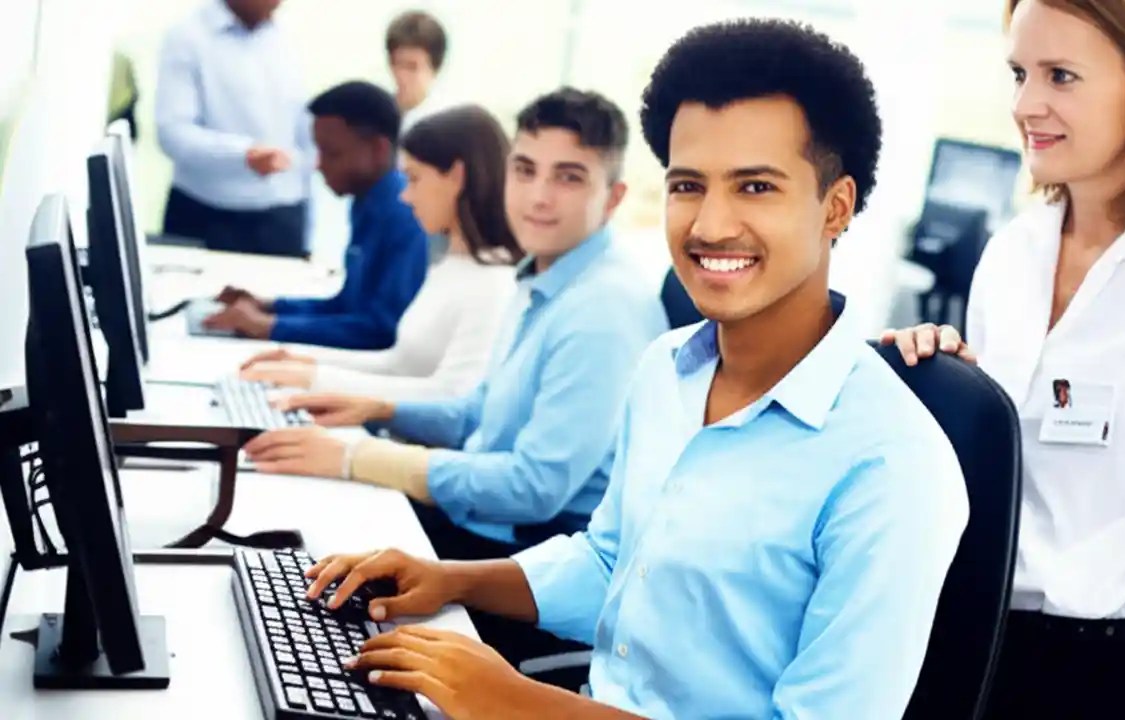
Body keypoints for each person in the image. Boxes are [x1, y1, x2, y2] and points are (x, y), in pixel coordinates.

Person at [274, 20, 970, 719]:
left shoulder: (893, 464)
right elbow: (611, 564)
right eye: (689, 185)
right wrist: (448, 578)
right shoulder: (666, 369)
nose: (709, 225)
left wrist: (514, 700)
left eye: (755, 187)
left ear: (836, 206)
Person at [882, 1, 1125, 718]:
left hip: (1104, 674)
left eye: (1061, 76)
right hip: (962, 643)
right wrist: (945, 386)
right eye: (1018, 73)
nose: (1026, 104)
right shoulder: (1010, 255)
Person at [242, 87, 667, 555]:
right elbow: (477, 414)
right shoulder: (545, 277)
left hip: (529, 553)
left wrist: (355, 456)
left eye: (569, 178)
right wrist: (377, 409)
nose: (538, 197)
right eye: (525, 171)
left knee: (310, 535)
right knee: (287, 516)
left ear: (613, 198)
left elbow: (533, 490)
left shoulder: (601, 309)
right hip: (490, 522)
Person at [236, 105, 521, 403]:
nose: (405, 195)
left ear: (456, 176)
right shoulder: (452, 266)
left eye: (414, 178)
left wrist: (315, 379)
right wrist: (300, 361)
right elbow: (398, 365)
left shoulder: (492, 284)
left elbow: (453, 396)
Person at [204, 82, 429, 349]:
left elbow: (381, 330)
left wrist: (267, 326)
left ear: (378, 150)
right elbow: (347, 305)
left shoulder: (404, 214)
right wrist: (269, 307)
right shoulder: (367, 201)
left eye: (332, 153)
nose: (319, 165)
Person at [155, 0, 313, 257]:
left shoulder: (290, 37)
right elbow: (172, 132)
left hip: (281, 219)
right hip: (206, 216)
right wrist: (243, 155)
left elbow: (304, 131)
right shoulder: (187, 37)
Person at [385, 9, 451, 132]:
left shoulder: (446, 126)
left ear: (435, 69)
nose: (402, 76)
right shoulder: (376, 118)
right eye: (398, 64)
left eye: (412, 67)